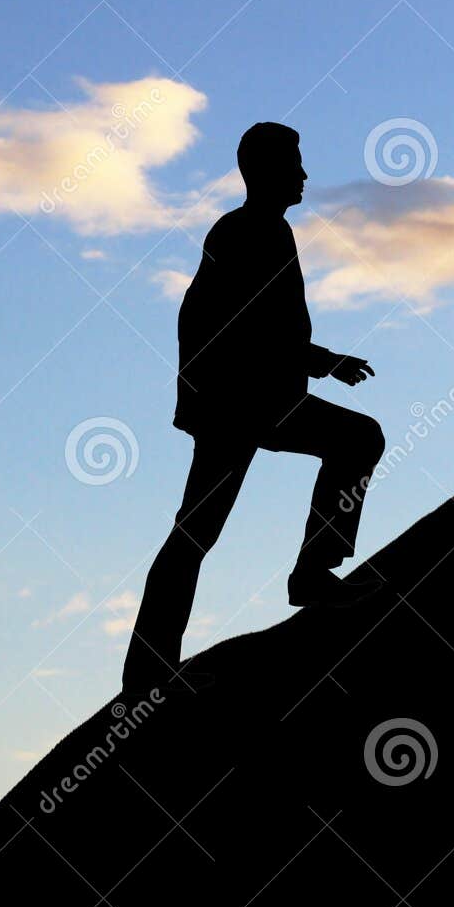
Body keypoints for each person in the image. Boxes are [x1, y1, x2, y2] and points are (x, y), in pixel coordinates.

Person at [122, 122, 385, 695]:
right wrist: (324, 362)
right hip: (238, 408)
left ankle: (312, 573)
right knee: (196, 532)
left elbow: (257, 328)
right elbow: (243, 326)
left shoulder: (267, 231)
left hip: (262, 401)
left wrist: (314, 364)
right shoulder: (244, 233)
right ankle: (149, 671)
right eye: (294, 164)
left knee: (354, 441)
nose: (304, 175)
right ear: (265, 171)